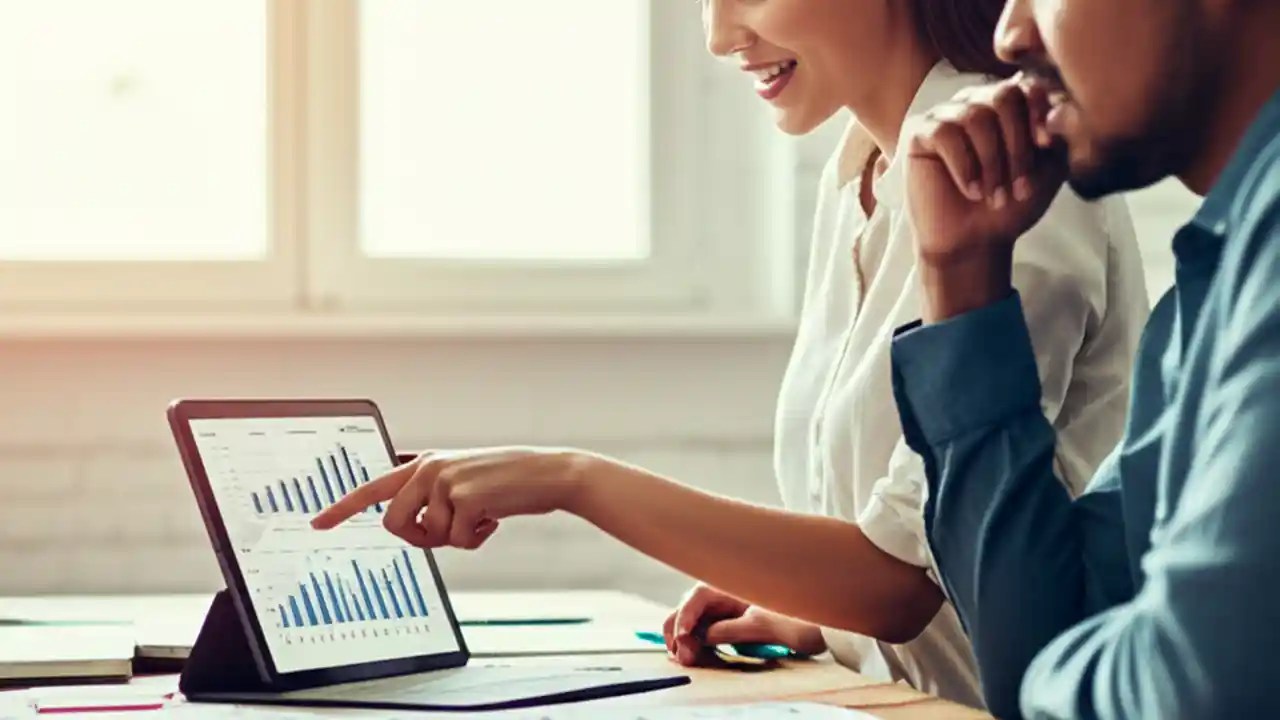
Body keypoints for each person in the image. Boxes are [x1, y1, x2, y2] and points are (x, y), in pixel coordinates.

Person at [313, 0, 1149, 707]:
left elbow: (900, 584)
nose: (719, 35)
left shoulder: (1004, 171)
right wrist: (805, 615)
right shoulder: (862, 171)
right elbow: (912, 555)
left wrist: (571, 478)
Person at [876, 0, 1280, 715]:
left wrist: (1074, 678)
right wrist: (963, 280)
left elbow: (1192, 691)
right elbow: (1045, 643)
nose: (1009, 35)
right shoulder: (1202, 300)